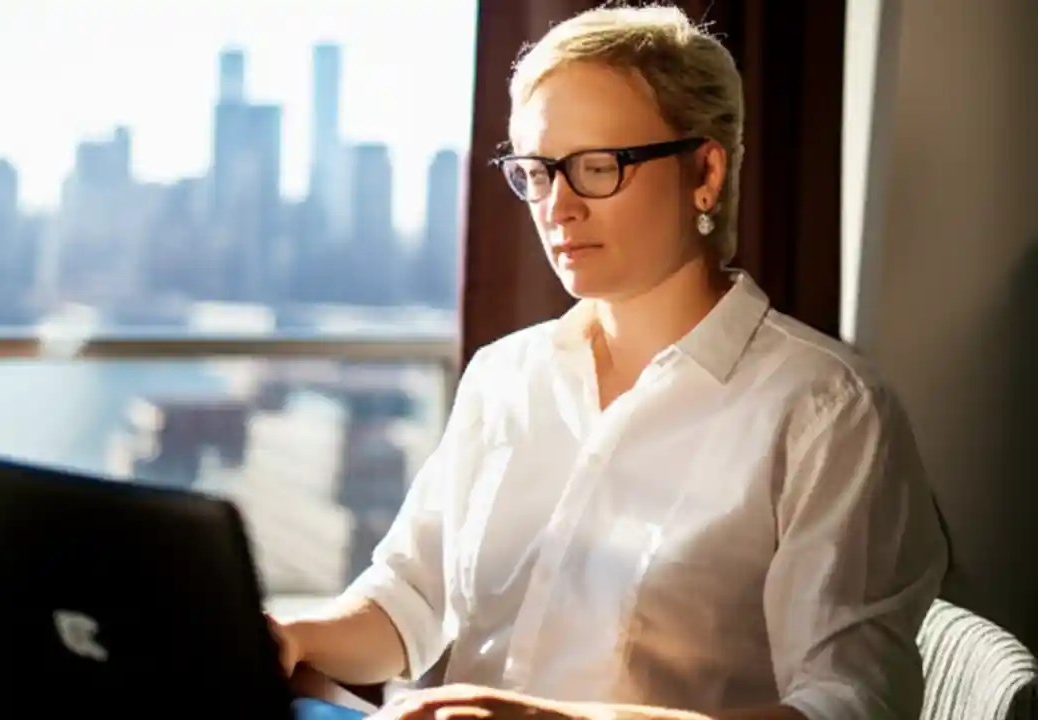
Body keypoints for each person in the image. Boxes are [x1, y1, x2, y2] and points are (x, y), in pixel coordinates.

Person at [270, 5, 948, 719]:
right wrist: (288, 636)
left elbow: (850, 703)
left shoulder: (826, 409)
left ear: (705, 171)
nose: (557, 207)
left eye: (597, 168)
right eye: (536, 171)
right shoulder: (505, 377)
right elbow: (409, 599)